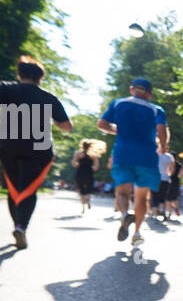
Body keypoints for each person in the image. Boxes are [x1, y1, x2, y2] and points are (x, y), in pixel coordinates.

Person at [0, 55, 73, 250]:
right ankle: (21, 226)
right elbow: (66, 126)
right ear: (41, 78)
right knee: (28, 188)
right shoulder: (48, 97)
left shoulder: (5, 87)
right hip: (38, 147)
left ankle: (17, 225)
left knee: (14, 187)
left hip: (7, 144)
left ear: (19, 73)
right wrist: (54, 121)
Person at [97, 76, 168, 248]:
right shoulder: (156, 110)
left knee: (121, 192)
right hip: (146, 157)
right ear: (150, 94)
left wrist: (119, 130)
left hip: (123, 154)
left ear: (132, 89)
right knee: (141, 198)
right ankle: (136, 232)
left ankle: (123, 215)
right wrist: (164, 146)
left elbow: (102, 124)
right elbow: (161, 130)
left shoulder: (118, 103)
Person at [71, 139, 102, 212]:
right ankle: (88, 198)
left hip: (80, 173)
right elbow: (96, 167)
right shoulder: (93, 155)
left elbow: (74, 164)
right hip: (89, 174)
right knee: (88, 189)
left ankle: (83, 207)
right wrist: (90, 167)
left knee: (81, 190)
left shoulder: (78, 154)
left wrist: (79, 164)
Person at [152, 136, 174, 221]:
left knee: (155, 196)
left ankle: (154, 215)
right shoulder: (169, 157)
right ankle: (161, 210)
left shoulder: (154, 155)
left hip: (155, 178)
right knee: (162, 196)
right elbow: (172, 170)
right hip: (165, 179)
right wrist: (168, 174)